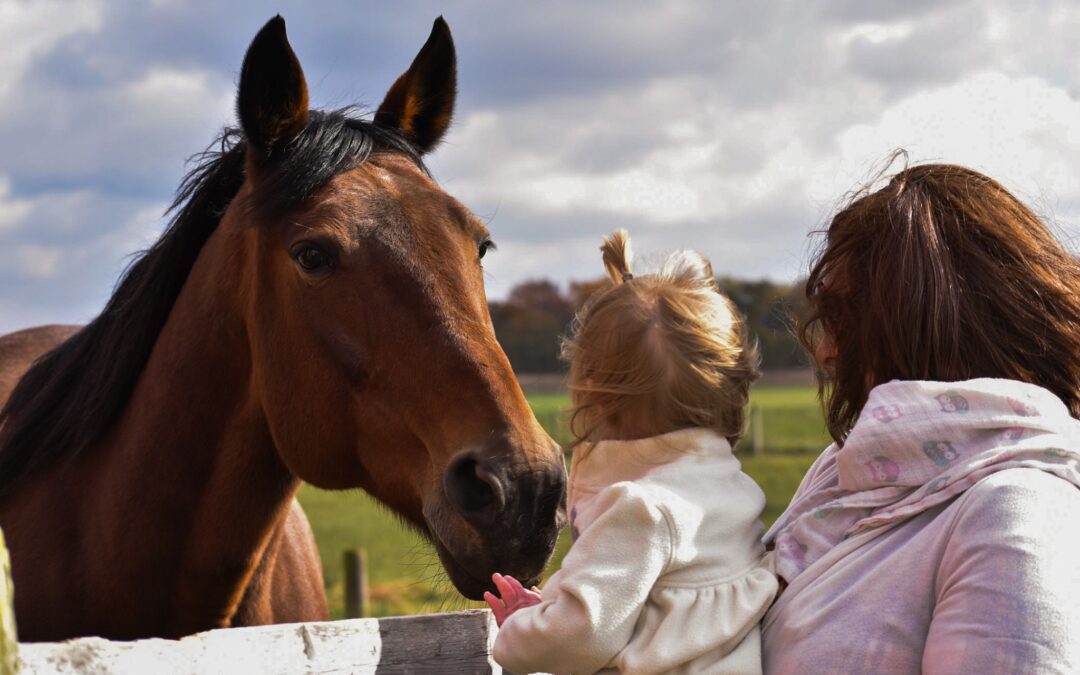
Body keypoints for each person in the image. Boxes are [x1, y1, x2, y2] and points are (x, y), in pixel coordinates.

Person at [762, 162, 1080, 673]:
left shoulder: (1015, 509)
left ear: (924, 325)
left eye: (845, 317)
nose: (824, 351)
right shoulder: (843, 472)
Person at [485, 230, 778, 674]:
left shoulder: (640, 509)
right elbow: (654, 610)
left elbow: (581, 636)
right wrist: (550, 609)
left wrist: (522, 632)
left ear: (593, 397)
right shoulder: (735, 490)